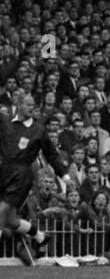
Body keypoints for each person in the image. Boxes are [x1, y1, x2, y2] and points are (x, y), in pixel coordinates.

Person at [1, 94, 64, 265]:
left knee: (1, 212)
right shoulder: (7, 124)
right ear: (18, 104)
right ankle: (40, 236)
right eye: (28, 104)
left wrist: (63, 174)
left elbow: (51, 153)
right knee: (10, 220)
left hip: (21, 177)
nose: (32, 108)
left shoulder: (38, 130)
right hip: (3, 174)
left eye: (33, 105)